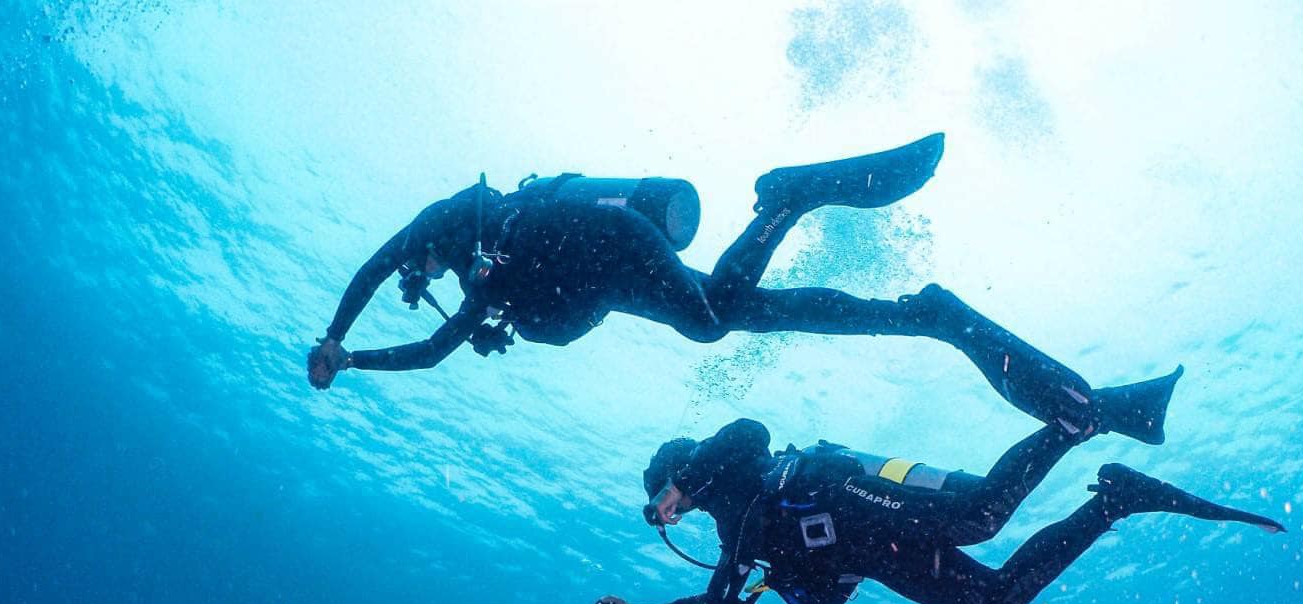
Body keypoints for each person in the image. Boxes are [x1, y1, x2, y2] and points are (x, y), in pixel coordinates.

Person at [305, 135, 1179, 448]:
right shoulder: (473, 281)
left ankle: (791, 196)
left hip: (612, 242)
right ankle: (930, 317)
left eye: (413, 273)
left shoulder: (449, 222)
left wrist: (337, 338)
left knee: (715, 323)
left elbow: (375, 273)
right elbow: (430, 348)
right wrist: (358, 361)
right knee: (747, 311)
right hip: (612, 275)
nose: (413, 281)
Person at [591, 417, 1284, 604]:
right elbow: (716, 602)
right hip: (881, 555)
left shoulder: (741, 463)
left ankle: (1077, 420)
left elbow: (750, 427)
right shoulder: (732, 528)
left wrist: (686, 477)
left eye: (669, 501)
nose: (672, 515)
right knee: (998, 603)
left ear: (684, 475)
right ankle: (1115, 499)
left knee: (984, 512)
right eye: (665, 510)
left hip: (859, 496)